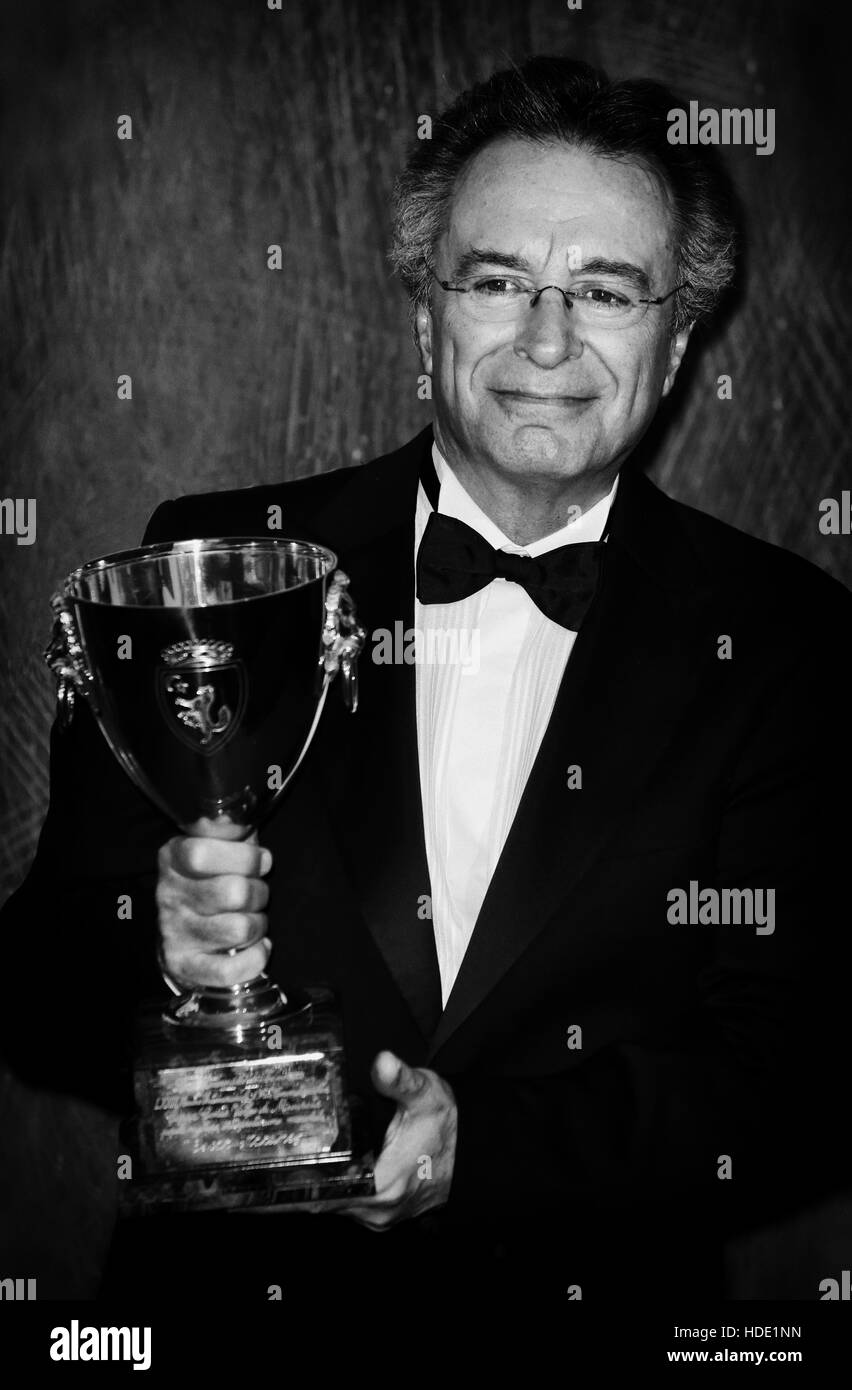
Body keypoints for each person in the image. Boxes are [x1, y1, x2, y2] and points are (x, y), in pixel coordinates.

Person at [2, 55, 849, 1305]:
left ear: (675, 345)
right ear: (425, 316)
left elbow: (801, 1078)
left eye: (606, 291)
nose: (548, 337)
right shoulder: (215, 575)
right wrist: (163, 952)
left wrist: (487, 1150)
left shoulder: (792, 640)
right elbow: (39, 991)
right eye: (499, 280)